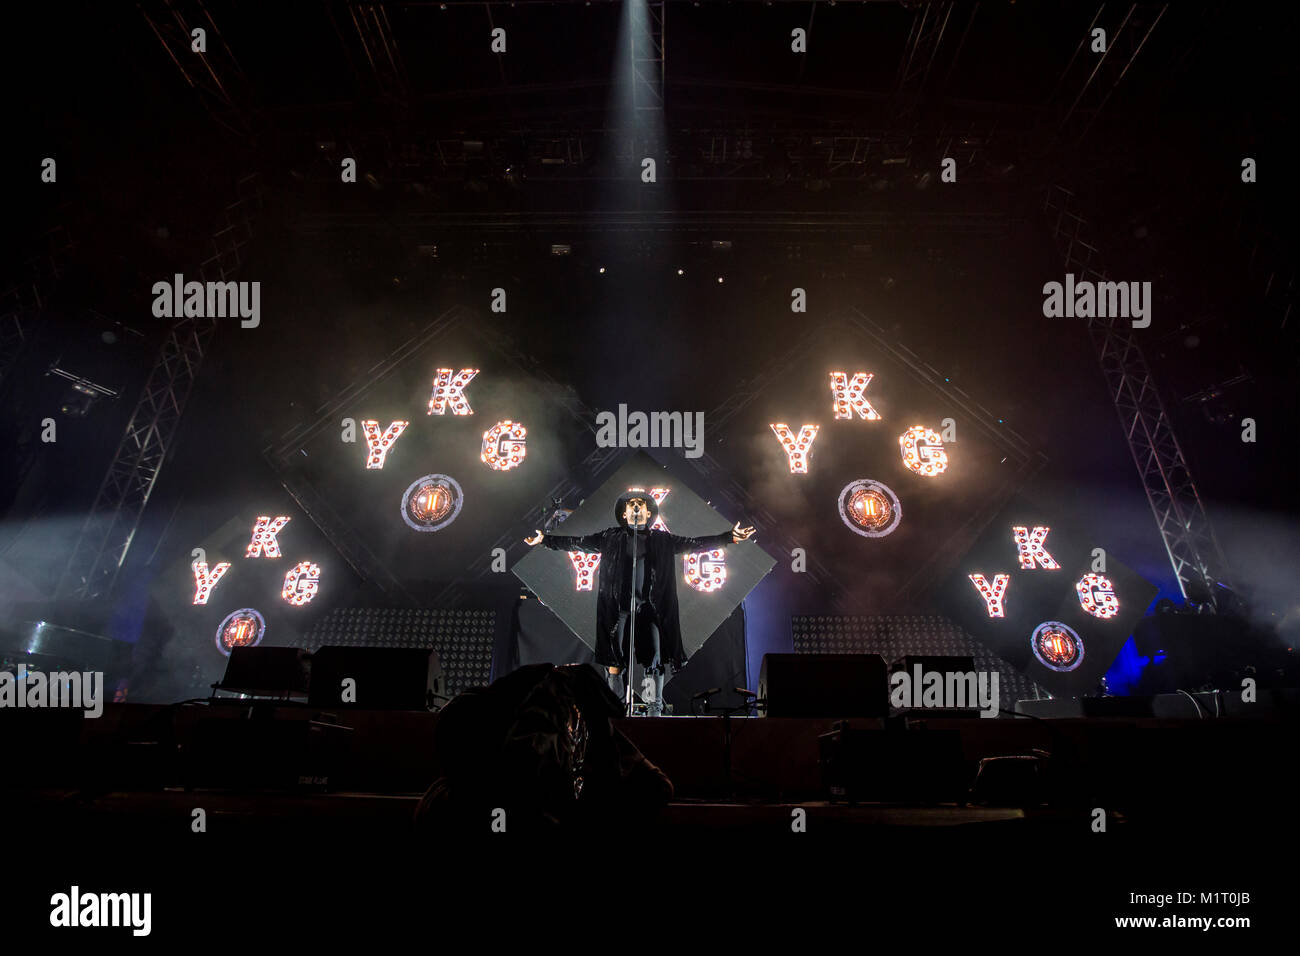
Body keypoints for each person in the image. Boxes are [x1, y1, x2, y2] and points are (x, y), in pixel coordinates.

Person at [524, 490, 755, 715]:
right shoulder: (609, 537)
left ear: (648, 512)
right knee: (614, 660)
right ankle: (616, 713)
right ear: (624, 513)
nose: (636, 506)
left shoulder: (663, 540)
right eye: (631, 503)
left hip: (651, 608)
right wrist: (545, 539)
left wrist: (728, 537)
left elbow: (695, 543)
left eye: (641, 504)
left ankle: (653, 711)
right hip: (618, 609)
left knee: (653, 660)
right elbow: (577, 542)